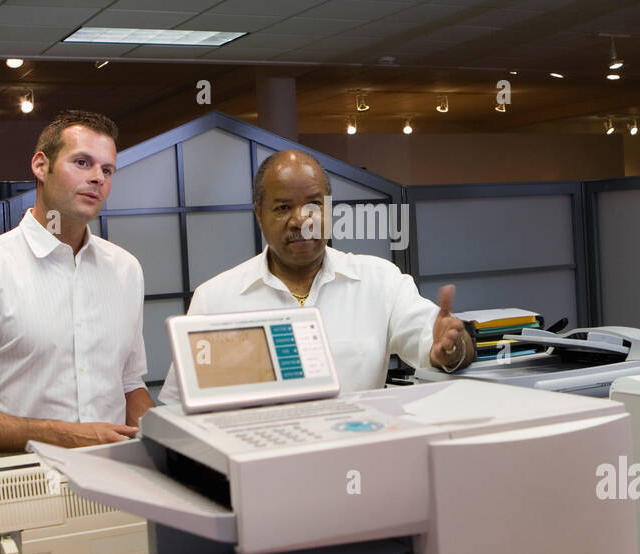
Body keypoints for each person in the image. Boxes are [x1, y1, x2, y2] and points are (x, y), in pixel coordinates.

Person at [0, 111, 155, 454]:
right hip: (20, 490)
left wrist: (172, 443)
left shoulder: (125, 269)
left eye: (107, 170)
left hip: (116, 479)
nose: (97, 178)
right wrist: (61, 436)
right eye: (82, 162)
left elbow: (130, 384)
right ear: (41, 166)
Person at [158, 149, 474, 404]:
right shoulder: (215, 298)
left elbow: (440, 345)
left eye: (313, 204)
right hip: (256, 468)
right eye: (282, 208)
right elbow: (177, 407)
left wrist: (453, 347)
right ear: (259, 213)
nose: (300, 220)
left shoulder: (380, 281)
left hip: (357, 458)